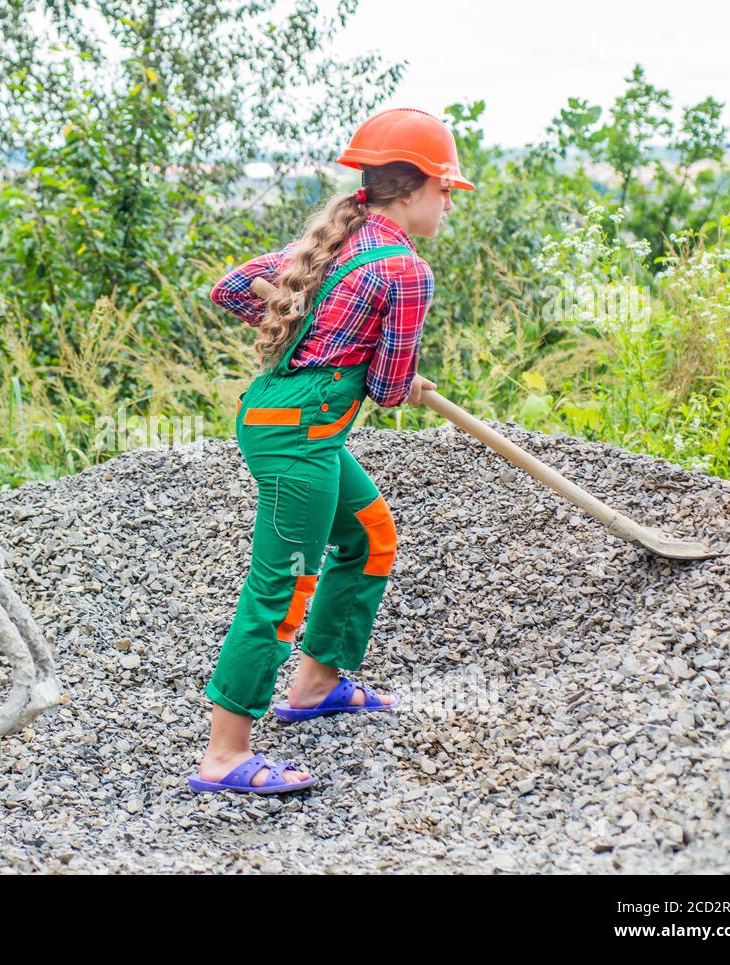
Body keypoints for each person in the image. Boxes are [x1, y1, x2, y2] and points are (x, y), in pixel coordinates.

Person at [188, 108, 474, 794]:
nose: (447, 204)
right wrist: (365, 357)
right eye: (445, 191)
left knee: (370, 534)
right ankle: (225, 753)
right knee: (280, 587)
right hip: (301, 438)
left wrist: (301, 324)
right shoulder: (406, 270)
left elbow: (230, 285)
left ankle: (315, 683)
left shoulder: (333, 239)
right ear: (411, 190)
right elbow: (385, 388)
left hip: (284, 421)